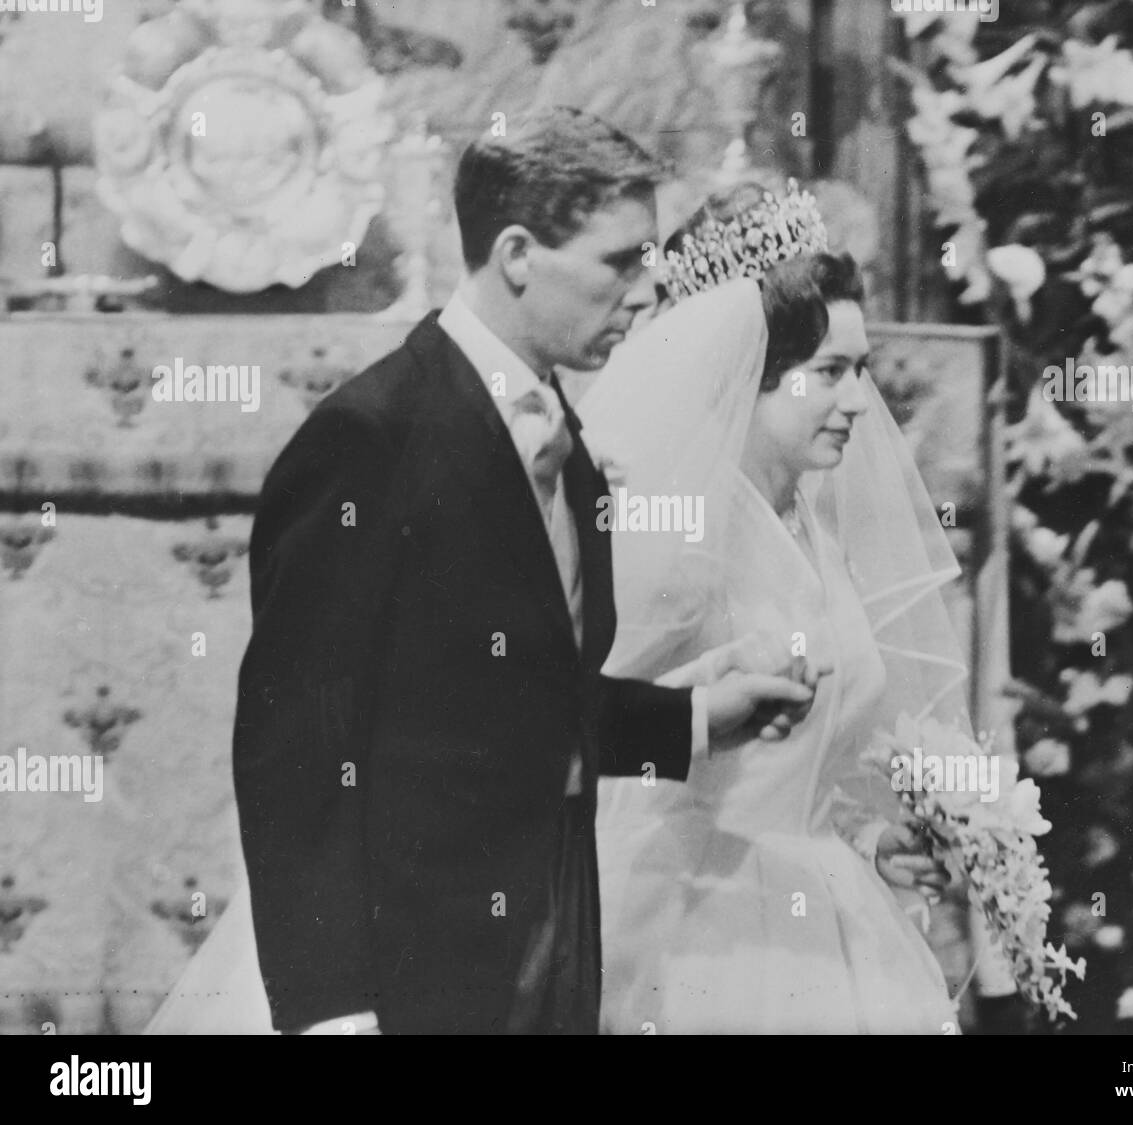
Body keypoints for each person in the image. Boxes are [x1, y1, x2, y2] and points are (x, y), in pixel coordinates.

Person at [145, 109, 816, 1035]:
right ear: (516, 254)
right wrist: (334, 1013)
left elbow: (516, 701)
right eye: (622, 261)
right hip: (414, 968)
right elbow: (298, 749)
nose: (648, 290)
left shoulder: (567, 446)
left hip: (553, 938)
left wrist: (694, 718)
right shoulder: (370, 439)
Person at [579, 184, 978, 1033]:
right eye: (828, 372)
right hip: (701, 947)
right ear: (742, 378)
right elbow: (599, 763)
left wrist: (871, 846)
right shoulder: (677, 550)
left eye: (862, 369)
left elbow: (804, 780)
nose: (860, 402)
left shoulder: (810, 522)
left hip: (830, 928)